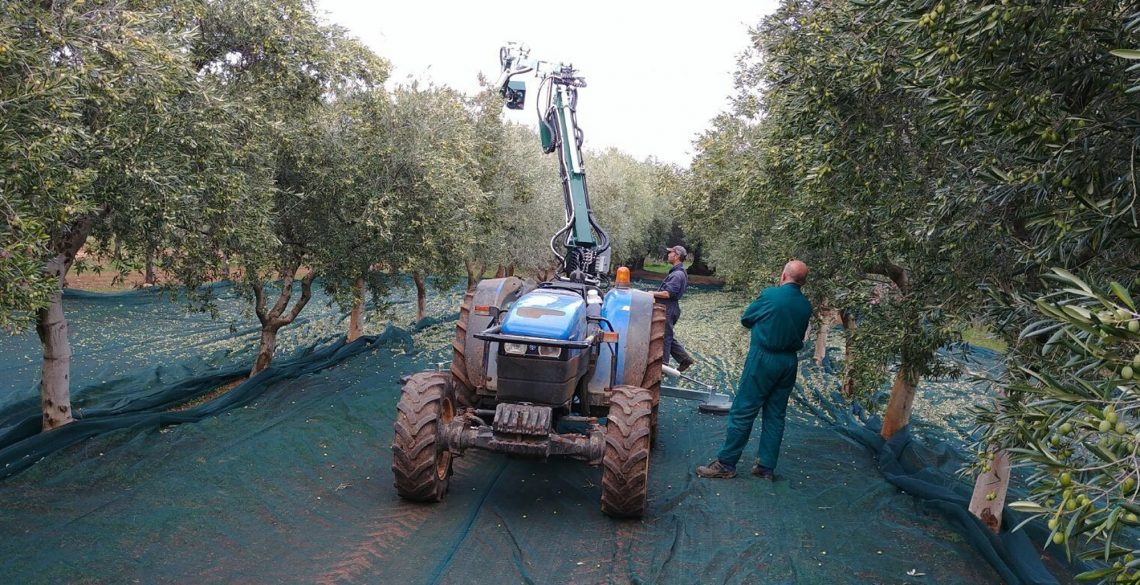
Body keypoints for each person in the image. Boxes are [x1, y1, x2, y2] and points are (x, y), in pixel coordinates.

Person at [696, 260, 812, 480]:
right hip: (789, 362)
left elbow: (746, 319)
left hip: (764, 358)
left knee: (743, 410)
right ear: (803, 282)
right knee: (776, 415)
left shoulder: (770, 295)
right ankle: (766, 467)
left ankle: (726, 463)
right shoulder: (806, 305)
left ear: (783, 276)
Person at [651, 245, 695, 372]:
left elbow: (667, 294)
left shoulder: (677, 275)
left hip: (668, 309)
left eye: (670, 253)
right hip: (670, 308)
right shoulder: (678, 273)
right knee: (667, 334)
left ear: (677, 256)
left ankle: (662, 366)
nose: (668, 255)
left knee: (664, 337)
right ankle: (684, 359)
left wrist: (651, 293)